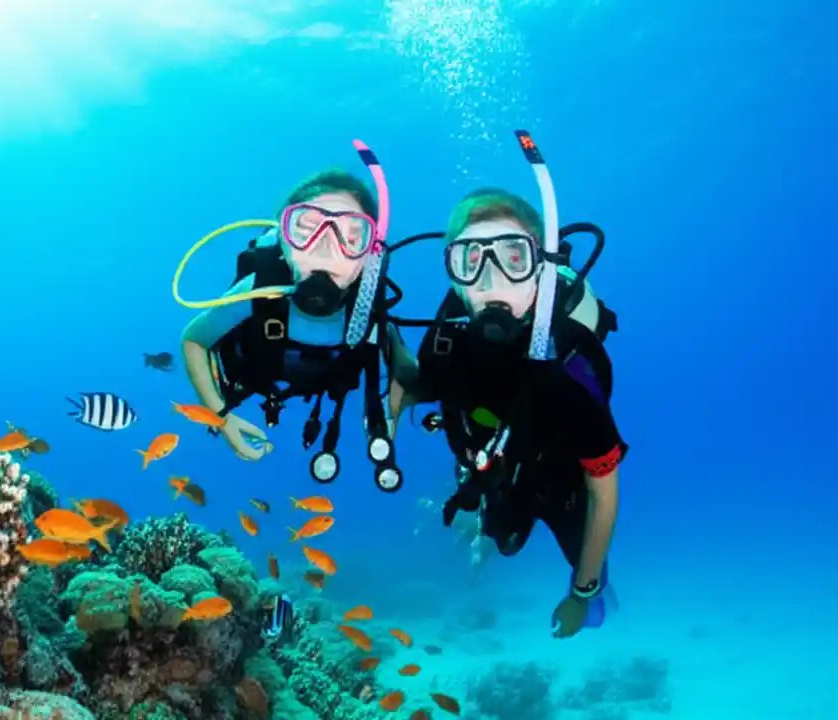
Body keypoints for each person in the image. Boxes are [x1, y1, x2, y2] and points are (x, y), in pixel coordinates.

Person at [389, 185, 625, 639]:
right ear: (454, 274)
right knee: (507, 541)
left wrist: (581, 592)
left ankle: (597, 597)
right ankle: (478, 519)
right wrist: (390, 362)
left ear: (541, 266)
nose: (490, 280)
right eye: (470, 260)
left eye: (513, 258)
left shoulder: (571, 363)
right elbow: (423, 385)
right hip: (494, 468)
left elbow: (605, 492)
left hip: (561, 481)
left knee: (588, 569)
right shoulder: (447, 339)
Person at [174, 141, 407, 490]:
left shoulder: (369, 304)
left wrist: (392, 417)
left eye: (352, 235)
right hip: (257, 377)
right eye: (306, 228)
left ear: (368, 255)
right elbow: (194, 339)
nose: (327, 248)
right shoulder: (259, 289)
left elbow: (404, 368)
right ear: (283, 241)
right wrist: (221, 418)